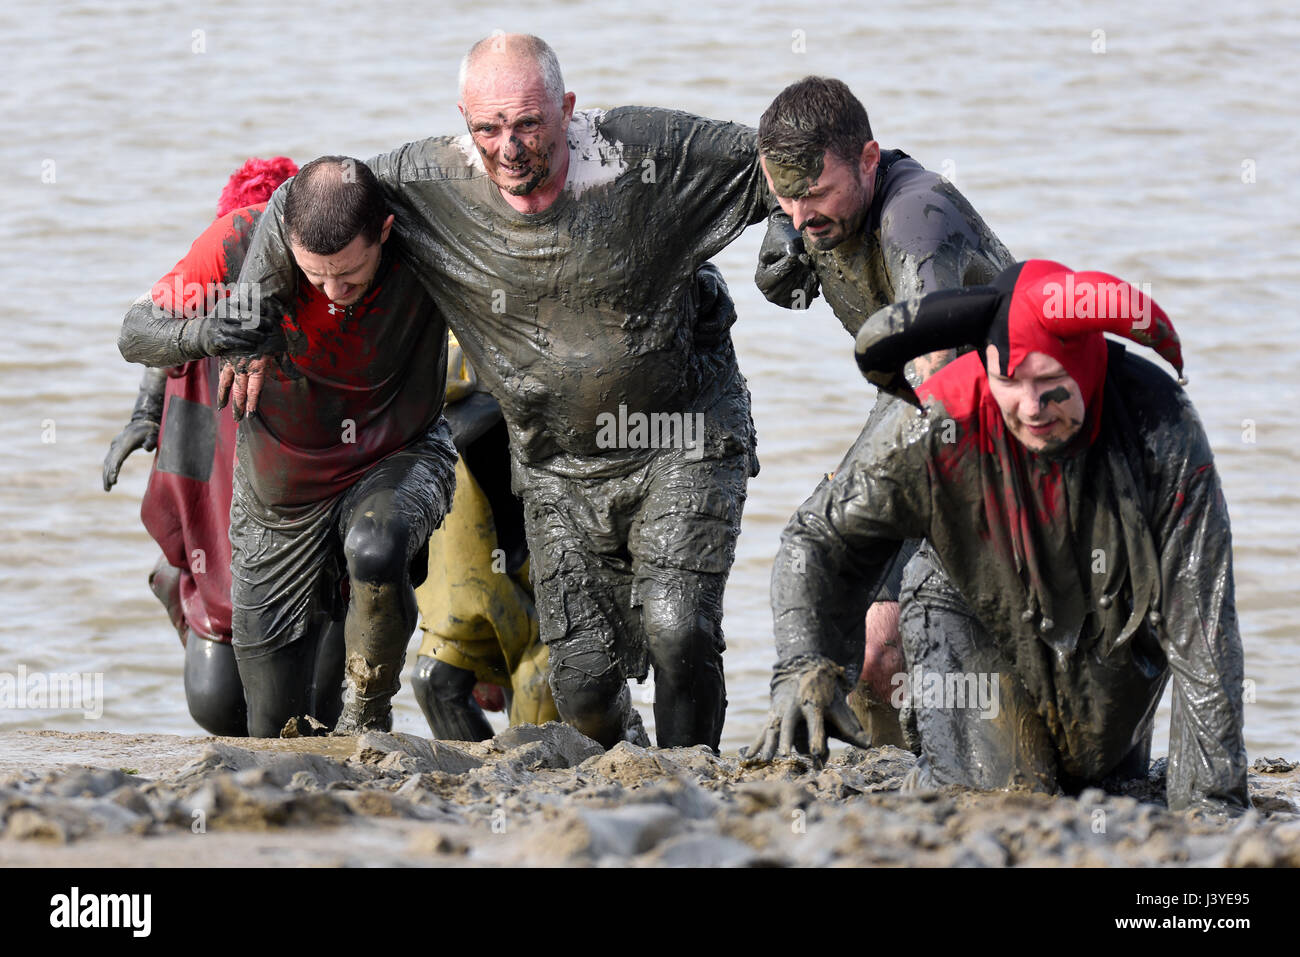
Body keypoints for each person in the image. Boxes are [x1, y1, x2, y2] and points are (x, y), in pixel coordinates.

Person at [228, 33, 781, 750]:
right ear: (464, 119)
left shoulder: (639, 152)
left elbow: (783, 164)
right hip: (557, 460)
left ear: (567, 109)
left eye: (528, 124)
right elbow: (303, 198)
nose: (509, 147)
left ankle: (693, 779)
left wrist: (786, 243)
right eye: (488, 127)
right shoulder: (429, 183)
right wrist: (253, 305)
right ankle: (636, 759)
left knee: (678, 626)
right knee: (580, 684)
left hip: (681, 431)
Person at [748, 259, 1249, 816]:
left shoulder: (1162, 426)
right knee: (1013, 802)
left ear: (1087, 367)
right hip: (968, 611)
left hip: (1109, 630)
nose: (1031, 409)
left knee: (1105, 799)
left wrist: (1214, 804)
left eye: (1051, 387)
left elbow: (1202, 624)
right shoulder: (937, 416)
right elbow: (816, 537)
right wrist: (802, 664)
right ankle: (936, 770)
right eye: (1009, 382)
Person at [120, 156, 456, 737]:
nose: (332, 290)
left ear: (382, 232)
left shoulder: (426, 239)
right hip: (280, 489)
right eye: (315, 275)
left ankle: (366, 721)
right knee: (267, 722)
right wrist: (206, 333)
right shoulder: (235, 242)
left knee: (376, 549)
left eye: (349, 275)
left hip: (394, 453)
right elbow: (135, 332)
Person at [751, 76, 1014, 744]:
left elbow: (937, 374)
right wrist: (785, 221)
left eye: (815, 196)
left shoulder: (916, 220)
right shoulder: (815, 191)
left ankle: (959, 766)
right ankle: (893, 777)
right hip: (909, 403)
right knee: (874, 651)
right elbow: (782, 180)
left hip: (993, 420)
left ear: (870, 160)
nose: (803, 213)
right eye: (786, 196)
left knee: (897, 630)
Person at [104, 156, 338, 736]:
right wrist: (145, 415)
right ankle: (185, 585)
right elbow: (154, 324)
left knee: (305, 703)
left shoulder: (318, 282)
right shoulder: (212, 275)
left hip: (278, 451)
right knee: (217, 703)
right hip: (209, 438)